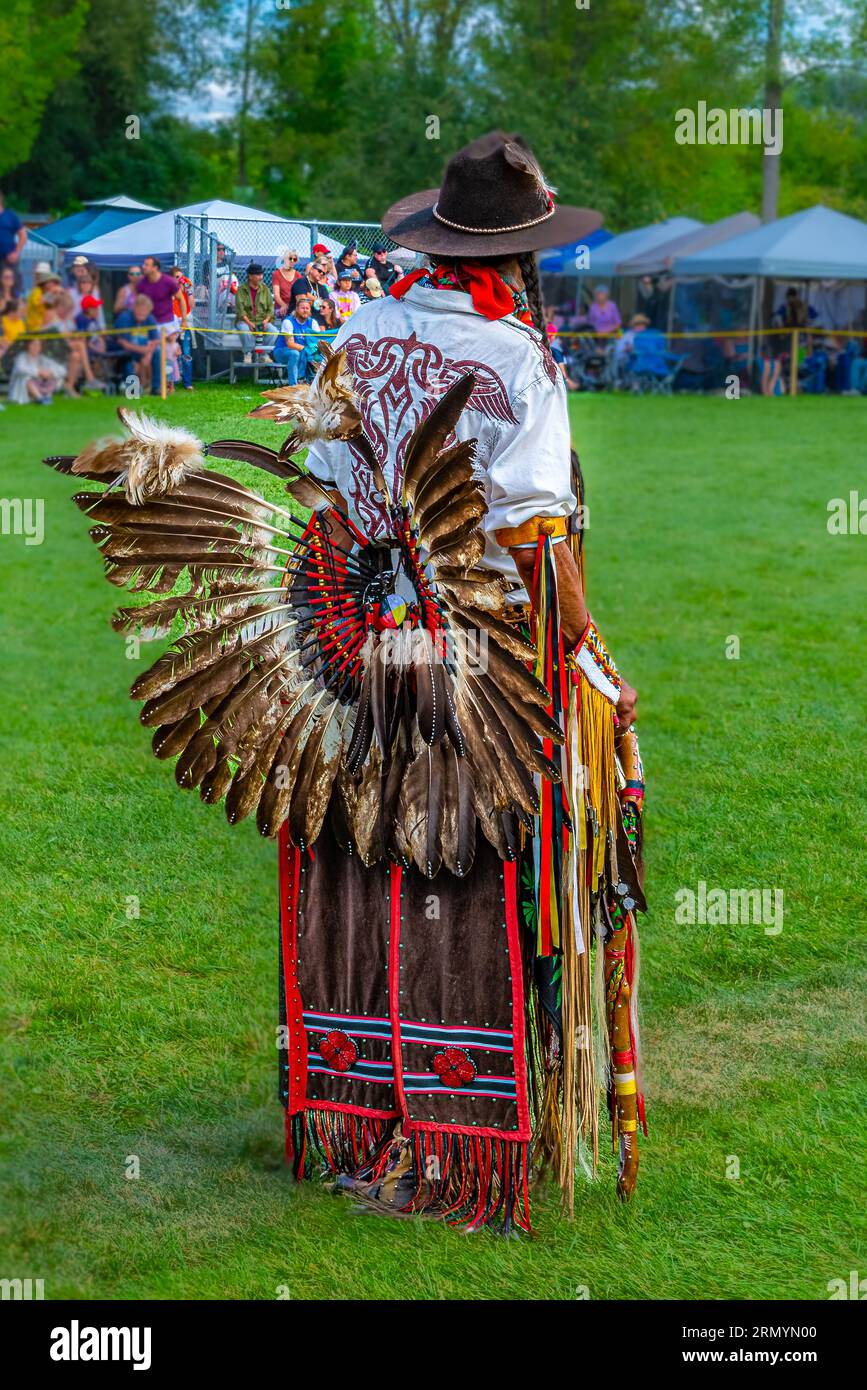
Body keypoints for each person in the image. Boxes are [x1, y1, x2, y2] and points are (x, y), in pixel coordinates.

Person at [48, 131, 645, 1234]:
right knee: (464, 876)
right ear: (519, 255)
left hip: (354, 649)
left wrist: (369, 599)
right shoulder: (519, 358)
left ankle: (365, 1119)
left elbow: (325, 486)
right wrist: (588, 658)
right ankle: (449, 1145)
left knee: (359, 852)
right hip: (480, 671)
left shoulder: (364, 327)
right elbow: (535, 536)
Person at [114, 292, 160, 393]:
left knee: (157, 353)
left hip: (143, 350)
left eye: (145, 311)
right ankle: (132, 388)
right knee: (127, 357)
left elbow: (155, 340)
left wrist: (148, 353)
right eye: (140, 309)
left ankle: (156, 387)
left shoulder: (150, 318)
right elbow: (123, 343)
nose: (142, 313)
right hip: (124, 350)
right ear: (134, 307)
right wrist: (145, 350)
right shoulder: (124, 318)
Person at [234, 262, 277, 362]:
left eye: (261, 274)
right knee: (245, 330)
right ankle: (248, 353)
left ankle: (264, 354)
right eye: (258, 275)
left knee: (274, 331)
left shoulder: (265, 289)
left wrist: (266, 320)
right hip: (245, 320)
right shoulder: (241, 289)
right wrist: (249, 323)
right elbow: (240, 309)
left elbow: (271, 308)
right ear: (250, 276)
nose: (261, 277)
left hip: (262, 320)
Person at [273, 292, 317, 383]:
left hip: (303, 352)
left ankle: (310, 383)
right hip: (282, 351)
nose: (305, 310)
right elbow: (290, 344)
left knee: (315, 355)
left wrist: (311, 351)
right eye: (302, 308)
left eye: (307, 308)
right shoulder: (288, 322)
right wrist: (307, 349)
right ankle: (293, 385)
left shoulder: (313, 323)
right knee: (295, 353)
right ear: (297, 309)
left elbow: (317, 341)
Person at [8, 336, 65, 404]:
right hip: (25, 387)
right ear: (28, 346)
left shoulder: (43, 358)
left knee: (58, 377)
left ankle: (47, 396)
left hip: (41, 384)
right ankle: (40, 398)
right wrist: (38, 372)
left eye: (38, 345)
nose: (36, 347)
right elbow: (20, 369)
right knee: (26, 378)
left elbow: (62, 370)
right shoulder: (21, 357)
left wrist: (50, 372)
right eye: (33, 344)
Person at [139, 256, 179, 327]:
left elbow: (181, 299)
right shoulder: (142, 283)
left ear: (155, 267)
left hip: (167, 323)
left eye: (147, 265)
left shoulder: (169, 281)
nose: (143, 267)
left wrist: (184, 320)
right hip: (149, 323)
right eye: (144, 264)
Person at [0, 189, 28, 273]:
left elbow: (23, 235)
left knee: (11, 285)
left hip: (8, 259)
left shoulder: (10, 215)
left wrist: (16, 253)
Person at [271, 250, 301, 319]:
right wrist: (284, 305)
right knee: (287, 314)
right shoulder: (276, 274)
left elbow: (300, 294)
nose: (292, 261)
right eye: (290, 258)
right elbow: (276, 295)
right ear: (285, 259)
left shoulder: (298, 275)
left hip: (294, 306)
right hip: (281, 306)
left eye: (295, 259)